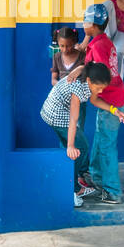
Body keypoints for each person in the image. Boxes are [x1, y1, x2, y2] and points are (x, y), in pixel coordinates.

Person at [81, 3, 124, 204]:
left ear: (92, 24)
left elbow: (101, 75)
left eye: (84, 20)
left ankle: (113, 191)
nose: (82, 24)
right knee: (100, 139)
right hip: (112, 99)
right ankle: (96, 177)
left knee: (107, 145)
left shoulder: (99, 46)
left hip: (110, 102)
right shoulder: (103, 41)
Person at [39, 62, 104, 205]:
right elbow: (73, 120)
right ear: (89, 81)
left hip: (55, 109)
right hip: (56, 114)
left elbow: (94, 98)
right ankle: (73, 188)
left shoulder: (87, 76)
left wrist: (114, 110)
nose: (100, 91)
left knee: (75, 149)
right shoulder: (78, 89)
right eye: (98, 88)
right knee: (80, 147)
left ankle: (68, 179)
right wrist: (70, 145)